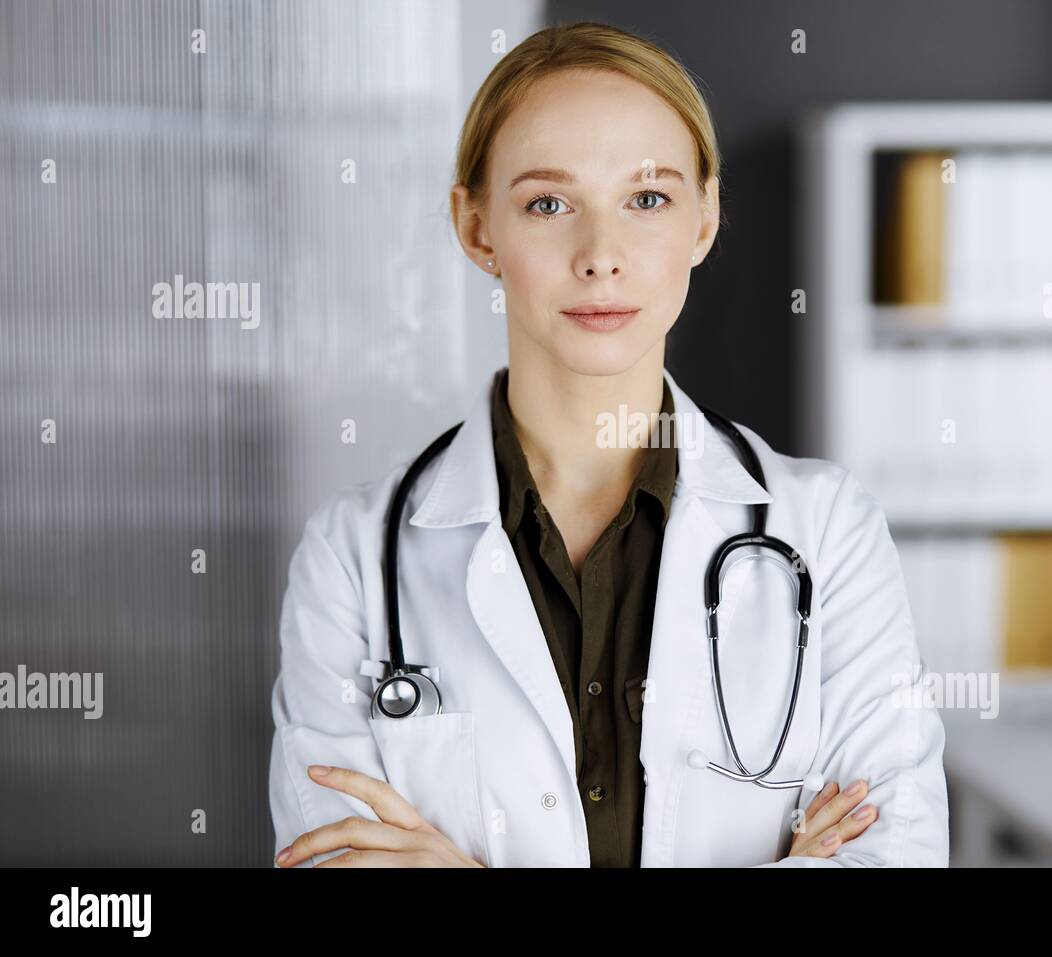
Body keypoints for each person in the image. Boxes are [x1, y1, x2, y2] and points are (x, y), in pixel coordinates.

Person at [269, 21, 948, 868]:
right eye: (548, 203)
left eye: (648, 199)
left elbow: (896, 857)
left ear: (704, 220)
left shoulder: (831, 531)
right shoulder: (350, 558)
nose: (601, 256)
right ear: (478, 228)